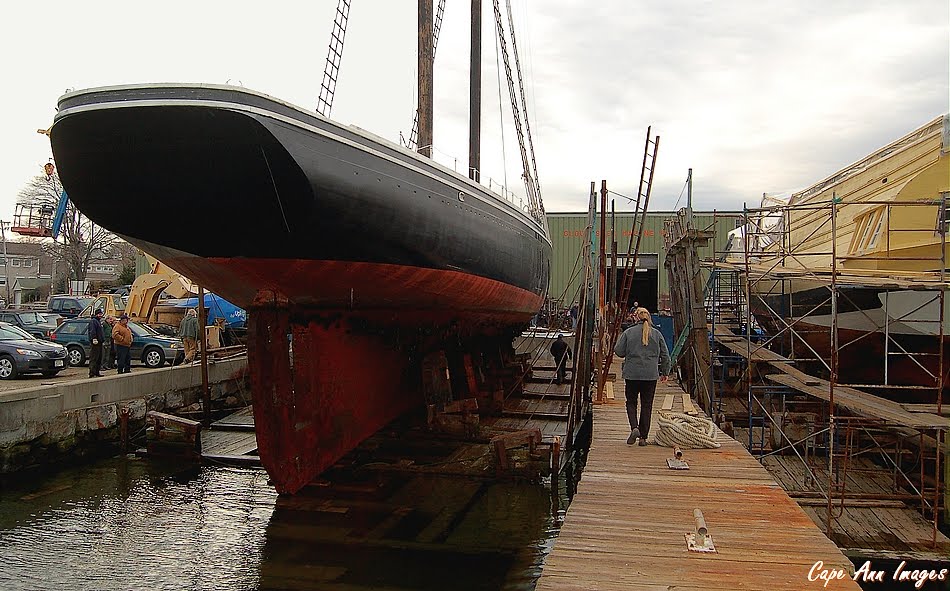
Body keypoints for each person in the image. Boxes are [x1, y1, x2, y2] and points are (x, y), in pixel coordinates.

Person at [613, 307, 671, 446]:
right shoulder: (656, 334)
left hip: (632, 374)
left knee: (631, 402)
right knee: (647, 405)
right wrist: (665, 372)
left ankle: (634, 428)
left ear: (636, 317)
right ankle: (643, 438)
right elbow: (665, 355)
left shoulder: (628, 333)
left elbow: (619, 352)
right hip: (650, 375)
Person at [87, 309, 105, 378]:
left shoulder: (98, 321)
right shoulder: (93, 321)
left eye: (101, 314)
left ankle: (97, 372)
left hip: (100, 342)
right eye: (99, 314)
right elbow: (92, 331)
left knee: (99, 358)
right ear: (96, 314)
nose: (101, 315)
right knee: (94, 358)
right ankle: (92, 372)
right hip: (95, 343)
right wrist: (94, 338)